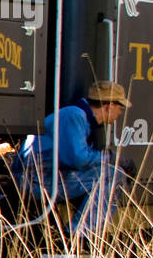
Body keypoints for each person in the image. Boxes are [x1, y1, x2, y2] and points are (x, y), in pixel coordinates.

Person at [16, 80, 130, 235]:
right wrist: (109, 158)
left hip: (40, 176)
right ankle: (80, 234)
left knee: (110, 173)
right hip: (36, 180)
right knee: (114, 175)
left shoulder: (77, 117)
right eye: (120, 108)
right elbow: (77, 159)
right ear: (109, 106)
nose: (120, 113)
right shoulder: (74, 116)